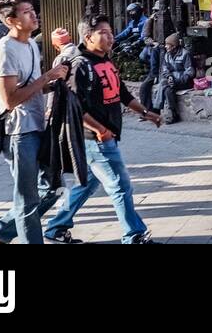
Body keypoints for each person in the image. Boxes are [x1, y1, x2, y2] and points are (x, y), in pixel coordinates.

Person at [43, 16, 162, 244]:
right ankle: (134, 235)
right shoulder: (80, 65)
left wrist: (146, 113)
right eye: (104, 33)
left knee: (86, 184)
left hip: (104, 136)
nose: (110, 37)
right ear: (88, 37)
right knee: (120, 185)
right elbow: (75, 107)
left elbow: (123, 94)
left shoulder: (105, 61)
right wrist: (100, 130)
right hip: (95, 138)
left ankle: (56, 228)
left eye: (110, 32)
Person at [0, 0, 71, 244]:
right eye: (26, 12)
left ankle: (0, 231)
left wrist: (55, 83)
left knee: (54, 189)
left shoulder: (31, 43)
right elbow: (9, 100)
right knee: (27, 199)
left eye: (33, 10)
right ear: (10, 20)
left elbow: (33, 85)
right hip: (18, 131)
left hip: (39, 124)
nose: (34, 15)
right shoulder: (4, 50)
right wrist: (47, 77)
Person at [150, 34, 194, 124]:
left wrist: (177, 81)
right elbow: (165, 69)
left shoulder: (185, 54)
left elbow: (190, 72)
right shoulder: (167, 55)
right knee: (167, 90)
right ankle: (173, 115)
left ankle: (156, 109)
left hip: (184, 82)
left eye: (167, 44)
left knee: (163, 84)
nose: (165, 46)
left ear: (174, 46)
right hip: (172, 81)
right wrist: (169, 77)